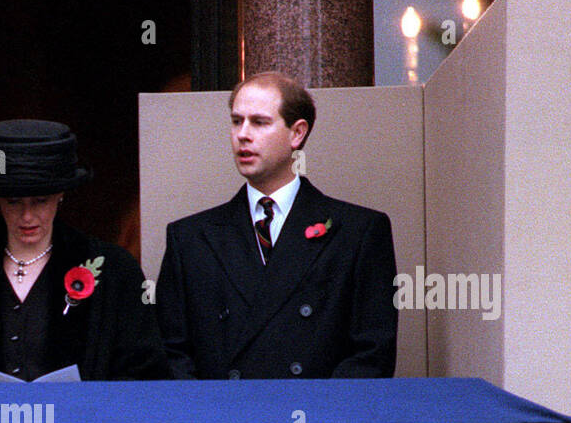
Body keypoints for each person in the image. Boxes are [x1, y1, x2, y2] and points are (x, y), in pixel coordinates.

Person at [155, 72, 398, 380]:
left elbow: (372, 354)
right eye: (236, 121)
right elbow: (171, 355)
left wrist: (316, 408)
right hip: (221, 410)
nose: (243, 134)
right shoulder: (190, 239)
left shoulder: (358, 232)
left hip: (317, 409)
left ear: (297, 133)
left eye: (259, 122)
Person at [0, 120, 168, 381]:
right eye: (14, 201)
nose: (27, 216)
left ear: (61, 195)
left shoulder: (114, 269)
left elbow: (143, 369)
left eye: (41, 201)